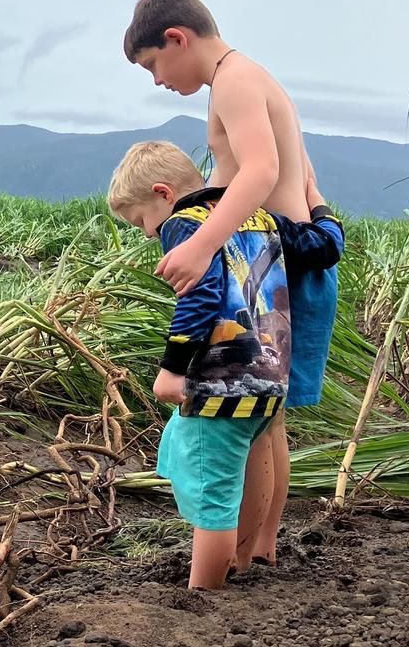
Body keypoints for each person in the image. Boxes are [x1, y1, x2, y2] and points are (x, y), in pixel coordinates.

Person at [122, 0, 343, 569]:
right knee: (269, 421)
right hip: (292, 259)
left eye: (152, 65)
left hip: (277, 272)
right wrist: (317, 211)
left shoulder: (234, 80)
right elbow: (300, 170)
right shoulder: (254, 77)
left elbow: (263, 167)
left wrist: (201, 243)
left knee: (259, 422)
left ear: (177, 39)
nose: (157, 80)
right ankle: (260, 545)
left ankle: (240, 550)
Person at [107, 140, 343, 589]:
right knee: (239, 467)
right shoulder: (257, 216)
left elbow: (199, 295)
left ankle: (203, 593)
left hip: (221, 382)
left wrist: (173, 367)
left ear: (163, 193)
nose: (146, 233)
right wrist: (319, 203)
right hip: (271, 379)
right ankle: (248, 559)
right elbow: (324, 247)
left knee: (213, 496)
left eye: (141, 221)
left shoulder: (184, 223)